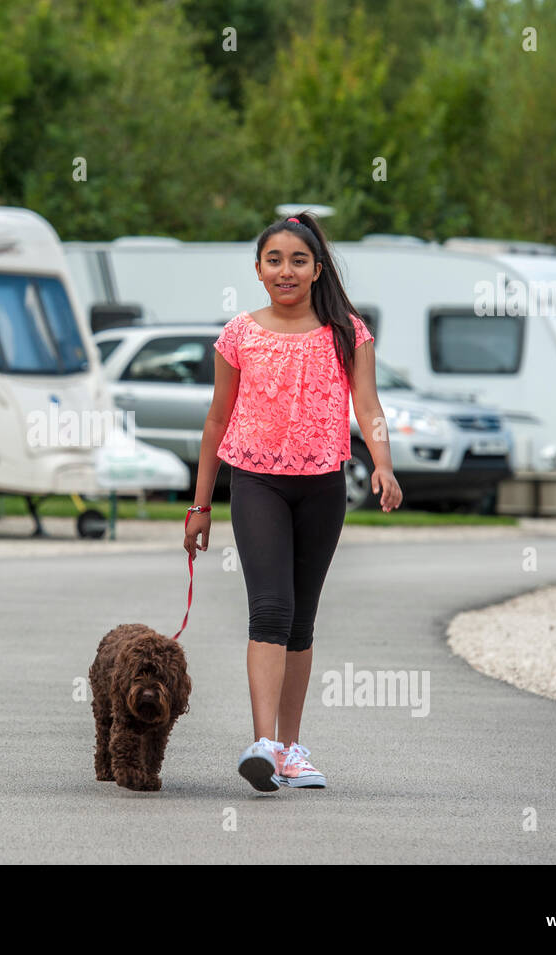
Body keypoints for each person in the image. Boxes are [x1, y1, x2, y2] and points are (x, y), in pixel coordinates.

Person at [183, 211, 403, 793]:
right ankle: (261, 744)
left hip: (323, 488)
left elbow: (369, 407)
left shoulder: (346, 332)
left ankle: (290, 749)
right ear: (257, 270)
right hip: (256, 483)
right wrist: (200, 505)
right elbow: (216, 421)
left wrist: (382, 464)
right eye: (274, 260)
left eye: (297, 260)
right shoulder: (239, 334)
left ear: (316, 268)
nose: (286, 270)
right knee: (271, 611)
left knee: (301, 621)